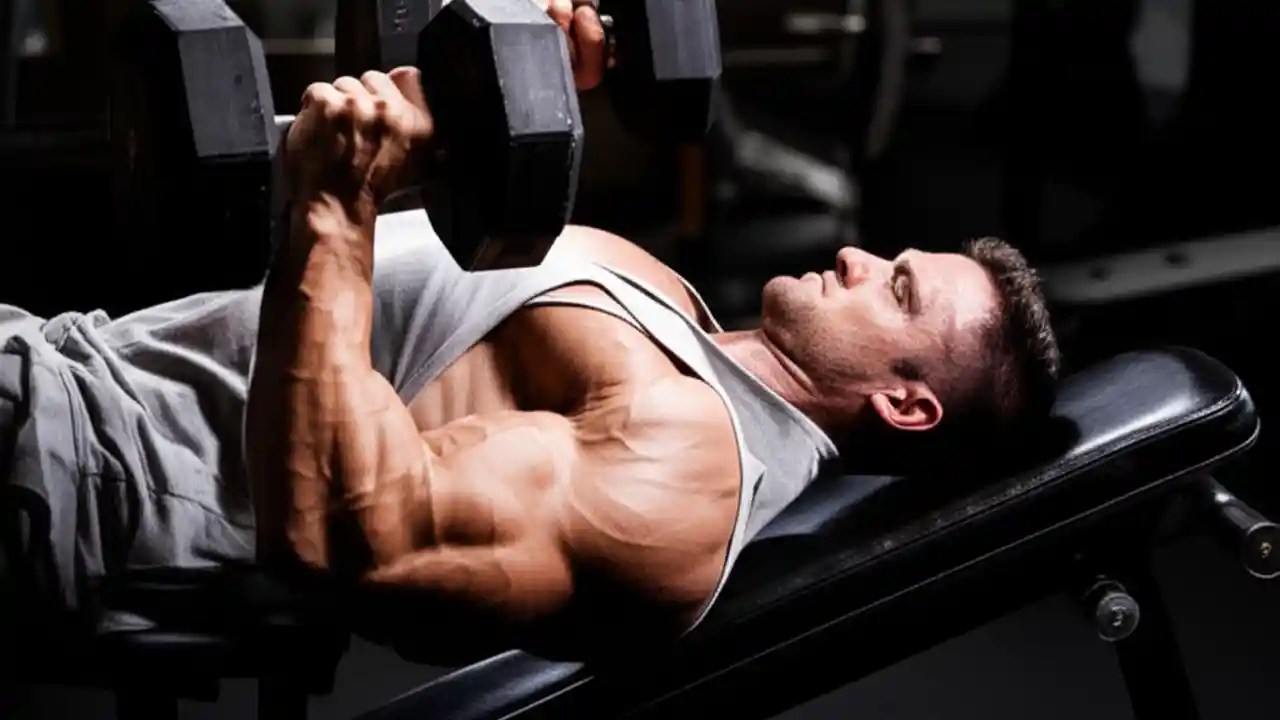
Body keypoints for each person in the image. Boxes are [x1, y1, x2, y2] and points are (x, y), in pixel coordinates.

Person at [0, 0, 1060, 659]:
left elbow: (347, 537)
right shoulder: (666, 302)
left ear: (905, 403)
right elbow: (348, 193)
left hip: (69, 473)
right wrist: (501, 81)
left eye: (900, 291)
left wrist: (336, 208)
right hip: (50, 360)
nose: (859, 259)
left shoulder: (683, 474)